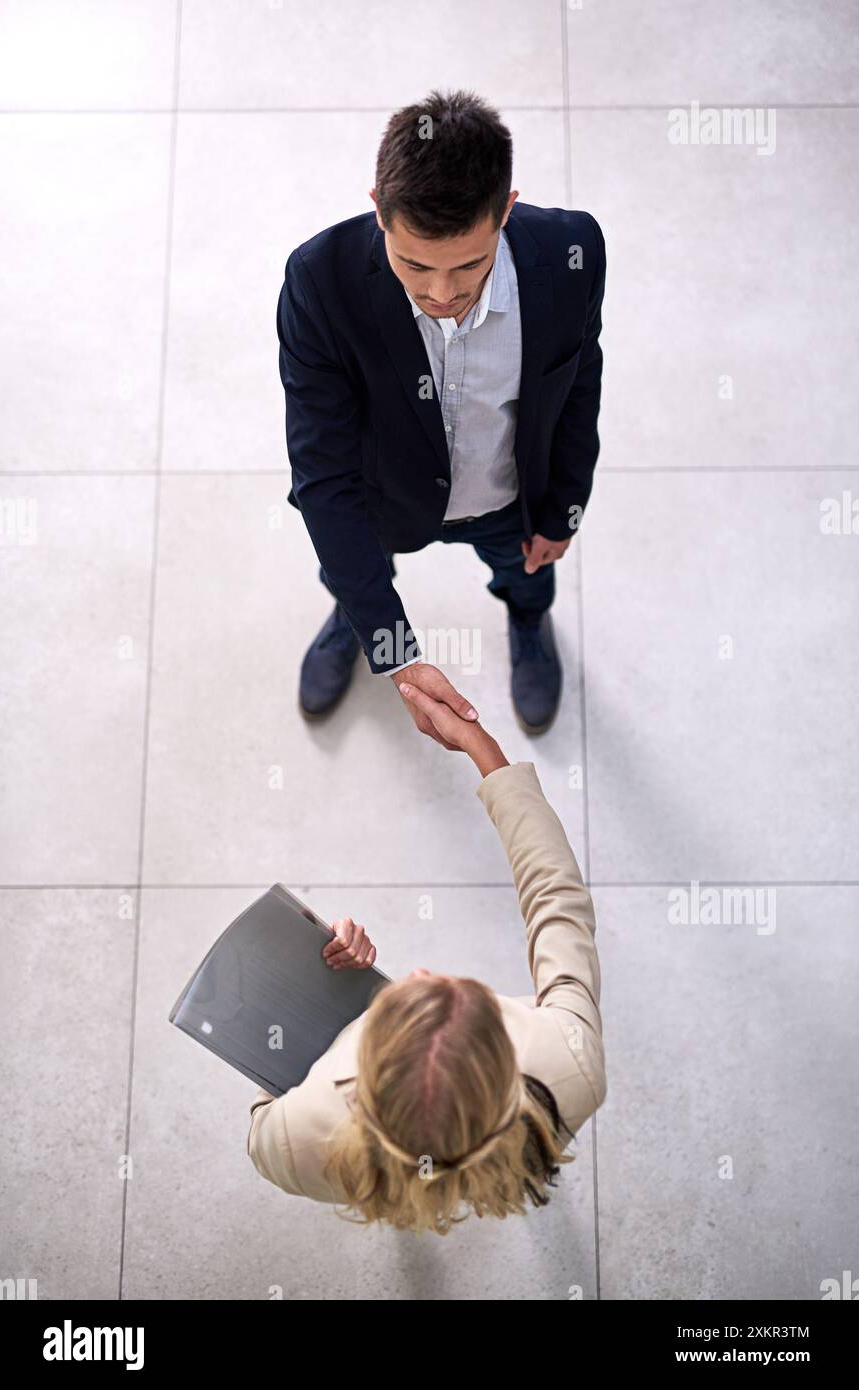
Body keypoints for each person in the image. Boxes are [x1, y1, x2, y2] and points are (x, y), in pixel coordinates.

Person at [278, 87, 606, 737]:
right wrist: (392, 647)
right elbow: (322, 472)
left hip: (510, 501)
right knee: (351, 568)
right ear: (378, 210)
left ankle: (527, 622)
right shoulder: (319, 280)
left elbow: (578, 386)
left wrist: (564, 505)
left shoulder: (572, 254)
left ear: (505, 211)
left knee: (527, 578)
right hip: (380, 497)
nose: (441, 293)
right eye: (414, 264)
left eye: (470, 265)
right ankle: (354, 614)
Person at [247, 689, 607, 1235]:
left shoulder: (292, 1141)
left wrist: (318, 988)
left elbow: (267, 1099)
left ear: (365, 1065)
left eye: (391, 1006)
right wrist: (485, 752)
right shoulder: (573, 1069)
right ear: (502, 1055)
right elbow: (557, 903)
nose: (419, 973)